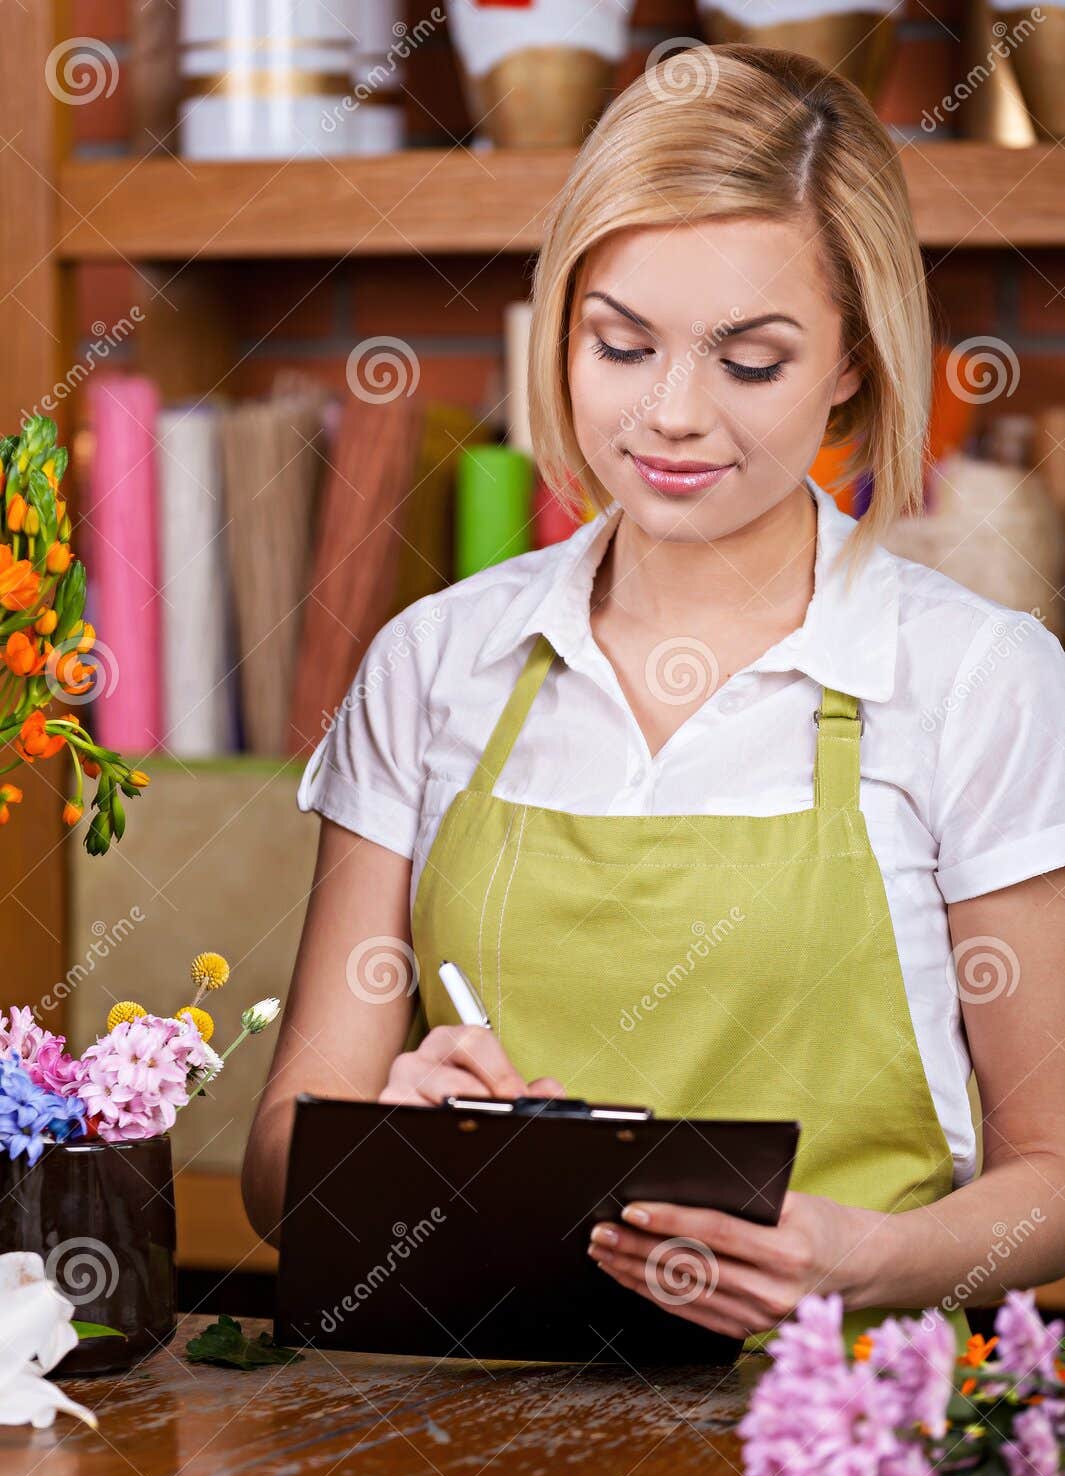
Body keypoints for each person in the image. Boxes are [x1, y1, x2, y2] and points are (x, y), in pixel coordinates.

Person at [243, 44, 1065, 1350]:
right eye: (621, 345)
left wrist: (865, 1259)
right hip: (463, 1423)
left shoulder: (974, 679)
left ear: (852, 359)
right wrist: (384, 1146)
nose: (671, 415)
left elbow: (1054, 1177)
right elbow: (280, 1174)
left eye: (751, 362)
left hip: (831, 1422)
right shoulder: (434, 660)